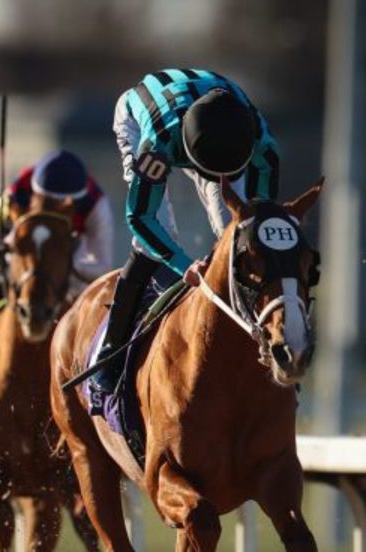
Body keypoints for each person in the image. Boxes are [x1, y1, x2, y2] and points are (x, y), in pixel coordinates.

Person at [93, 68, 280, 393]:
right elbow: (140, 217)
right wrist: (184, 266)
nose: (210, 178)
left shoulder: (262, 145)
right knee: (159, 238)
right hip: (143, 117)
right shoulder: (157, 145)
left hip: (214, 121)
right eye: (208, 172)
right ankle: (111, 352)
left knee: (236, 236)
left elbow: (258, 217)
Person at [0, 149, 113, 361]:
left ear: (74, 201)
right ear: (35, 193)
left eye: (62, 205)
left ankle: (106, 362)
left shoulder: (95, 204)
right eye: (46, 200)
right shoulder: (13, 196)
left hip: (68, 279)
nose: (53, 206)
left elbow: (103, 265)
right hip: (18, 274)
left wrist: (69, 264)